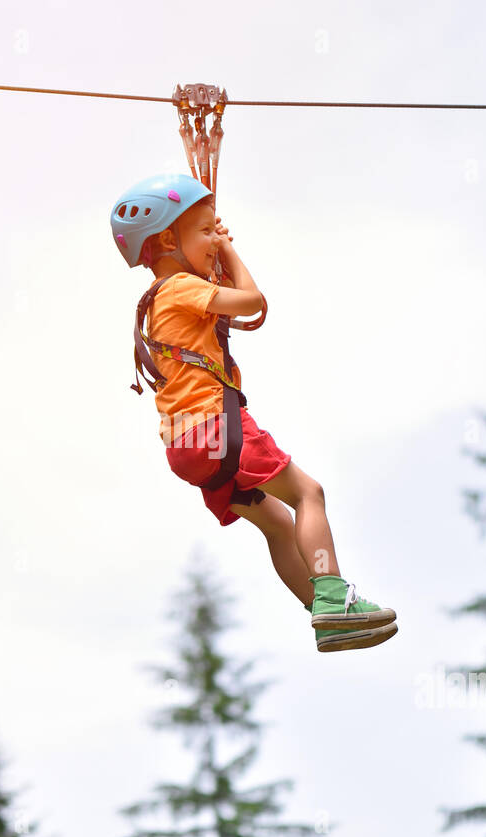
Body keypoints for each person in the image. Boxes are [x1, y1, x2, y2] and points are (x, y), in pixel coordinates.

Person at [110, 172, 398, 652]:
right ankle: (333, 597)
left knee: (279, 524)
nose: (213, 237)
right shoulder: (179, 287)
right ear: (165, 240)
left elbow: (228, 312)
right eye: (202, 230)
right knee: (308, 493)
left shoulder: (161, 300)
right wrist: (228, 251)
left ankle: (322, 612)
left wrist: (210, 247)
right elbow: (253, 302)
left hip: (187, 445)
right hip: (215, 427)